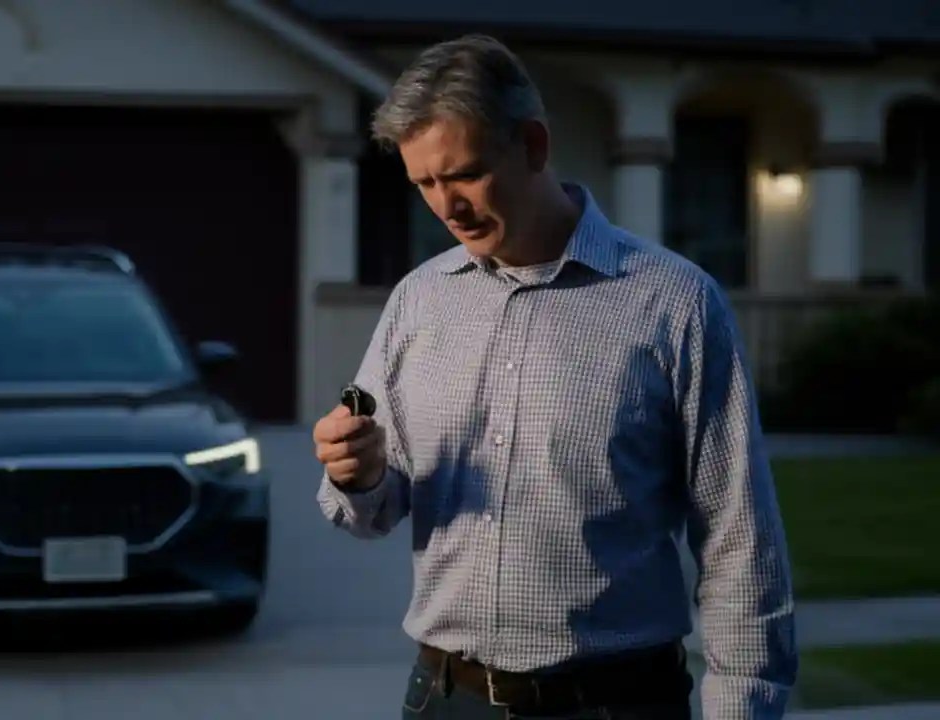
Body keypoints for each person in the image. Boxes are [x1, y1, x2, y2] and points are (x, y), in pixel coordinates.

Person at [313, 34, 797, 720]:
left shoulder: (673, 303)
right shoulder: (416, 304)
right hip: (446, 699)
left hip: (616, 703)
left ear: (533, 145)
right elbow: (370, 510)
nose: (446, 207)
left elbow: (739, 539)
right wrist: (355, 475)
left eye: (466, 174)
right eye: (425, 183)